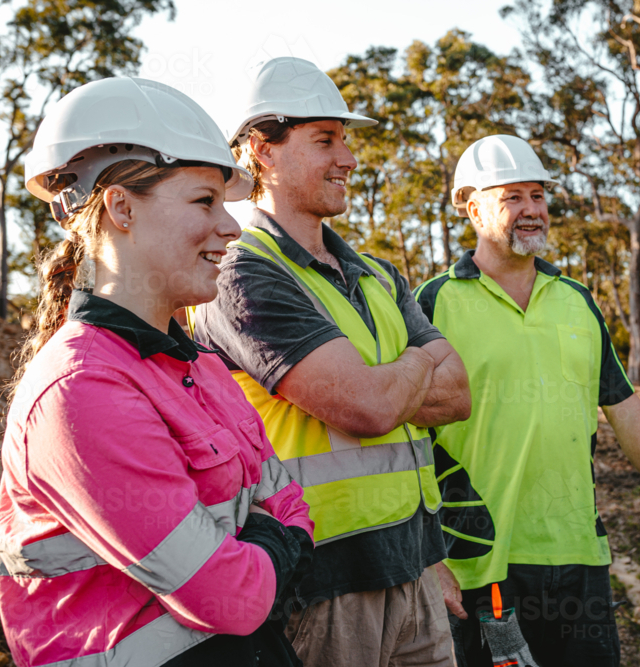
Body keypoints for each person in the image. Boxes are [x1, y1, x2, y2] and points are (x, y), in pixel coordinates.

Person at [0, 77, 314, 667]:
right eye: (203, 201)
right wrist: (273, 545)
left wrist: (260, 550)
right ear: (120, 207)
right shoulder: (80, 391)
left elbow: (293, 505)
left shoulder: (202, 369)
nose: (232, 227)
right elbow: (233, 598)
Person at [190, 57, 470, 666]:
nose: (348, 157)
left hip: (416, 565)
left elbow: (460, 396)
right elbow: (367, 408)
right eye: (325, 140)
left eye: (346, 139)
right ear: (264, 151)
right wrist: (421, 357)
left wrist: (387, 382)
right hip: (322, 582)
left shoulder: (377, 273)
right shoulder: (244, 273)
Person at [414, 135, 640, 667]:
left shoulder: (575, 300)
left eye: (539, 196)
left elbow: (622, 404)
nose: (531, 210)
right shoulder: (433, 302)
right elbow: (404, 436)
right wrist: (425, 559)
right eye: (512, 197)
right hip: (478, 562)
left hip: (578, 554)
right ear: (472, 207)